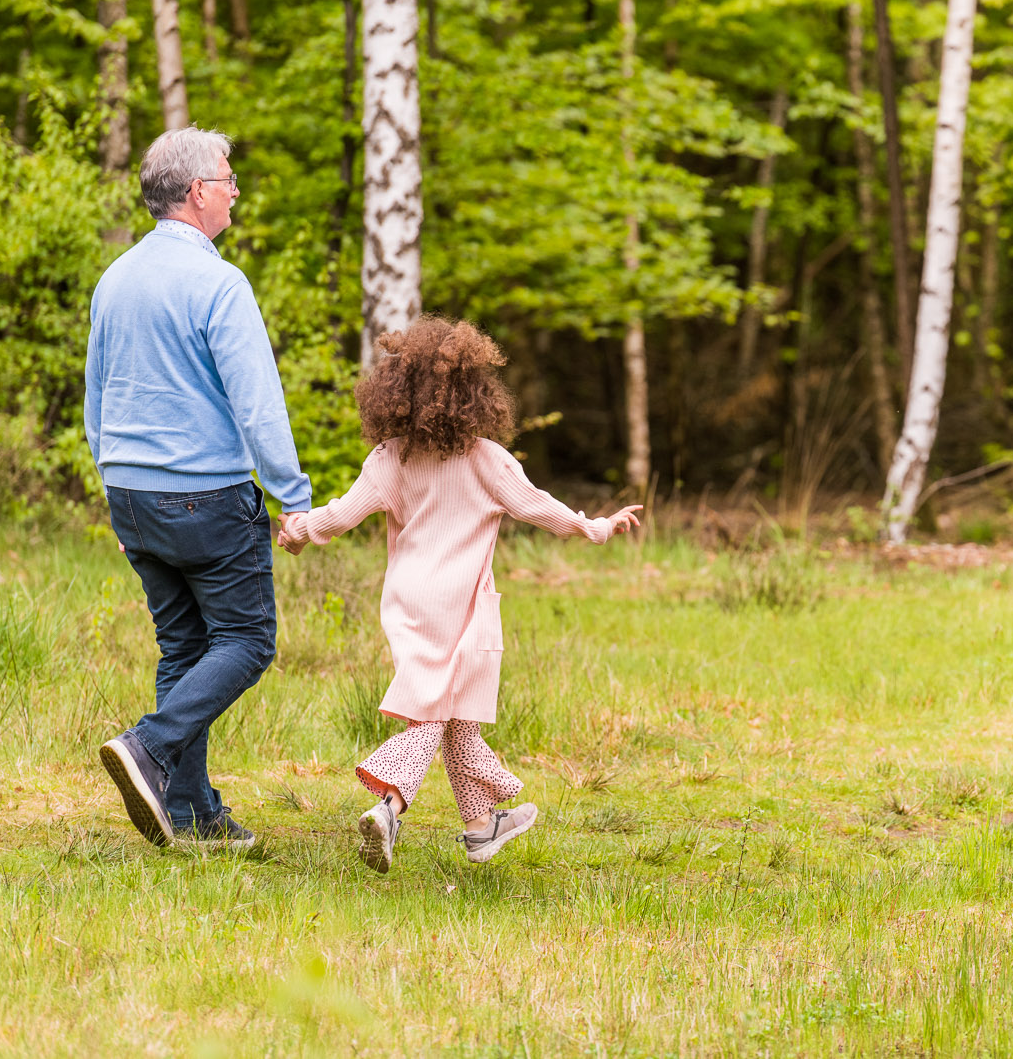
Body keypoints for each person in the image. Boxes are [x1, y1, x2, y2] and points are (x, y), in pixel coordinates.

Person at [277, 316, 640, 873]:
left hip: (407, 603)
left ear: (395, 394)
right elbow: (543, 509)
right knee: (434, 715)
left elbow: (336, 517)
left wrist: (297, 532)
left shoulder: (389, 460)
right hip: (465, 608)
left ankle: (480, 826)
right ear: (475, 393)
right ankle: (389, 807)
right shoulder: (489, 460)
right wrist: (597, 526)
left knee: (454, 713)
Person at [85, 127, 312, 850]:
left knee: (184, 650)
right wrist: (292, 495)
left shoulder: (115, 278)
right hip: (206, 497)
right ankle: (149, 747)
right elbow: (257, 402)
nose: (235, 187)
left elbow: (97, 396)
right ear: (195, 193)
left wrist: (112, 488)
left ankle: (189, 813)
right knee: (247, 640)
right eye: (228, 176)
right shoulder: (219, 281)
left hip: (132, 494)